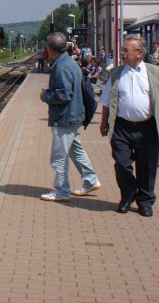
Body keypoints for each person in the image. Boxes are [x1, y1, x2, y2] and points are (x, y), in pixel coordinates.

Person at [99, 34, 159, 217]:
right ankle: (128, 196)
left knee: (147, 166)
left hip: (148, 127)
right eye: (123, 50)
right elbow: (106, 100)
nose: (123, 54)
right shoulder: (117, 73)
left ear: (140, 53)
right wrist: (104, 122)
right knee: (122, 163)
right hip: (122, 127)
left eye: (127, 50)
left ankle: (145, 202)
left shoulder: (155, 73)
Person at [39, 32, 101, 202]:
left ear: (50, 49)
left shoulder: (61, 67)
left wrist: (46, 96)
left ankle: (62, 190)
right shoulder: (71, 63)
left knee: (59, 156)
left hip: (65, 116)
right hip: (75, 114)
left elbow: (63, 94)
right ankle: (90, 180)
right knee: (76, 150)